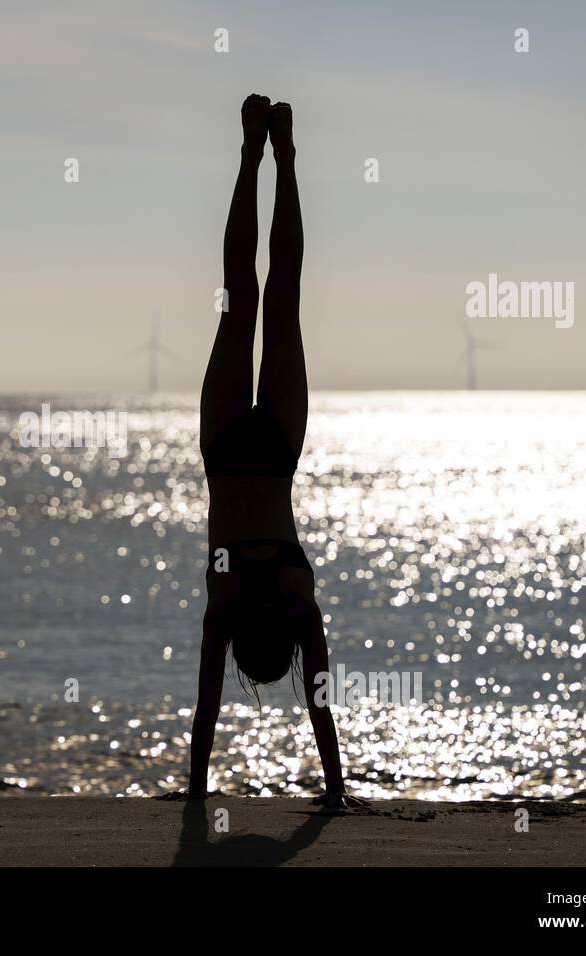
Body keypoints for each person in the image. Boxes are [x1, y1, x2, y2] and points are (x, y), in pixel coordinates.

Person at [186, 94, 366, 812]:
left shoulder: (297, 604)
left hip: (277, 450)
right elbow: (206, 714)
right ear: (240, 649)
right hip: (227, 449)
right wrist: (195, 791)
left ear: (283, 649)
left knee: (280, 299)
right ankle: (249, 152)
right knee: (242, 297)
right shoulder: (224, 606)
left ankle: (281, 154)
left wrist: (336, 792)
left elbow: (320, 707)